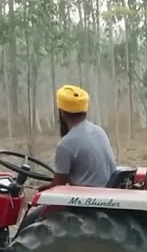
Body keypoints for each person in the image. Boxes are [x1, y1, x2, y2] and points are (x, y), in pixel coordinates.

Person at [16, 84, 118, 232]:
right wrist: (49, 186)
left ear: (62, 112)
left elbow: (59, 188)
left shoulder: (66, 144)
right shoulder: (98, 131)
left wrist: (45, 192)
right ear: (84, 111)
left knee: (30, 223)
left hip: (85, 203)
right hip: (104, 194)